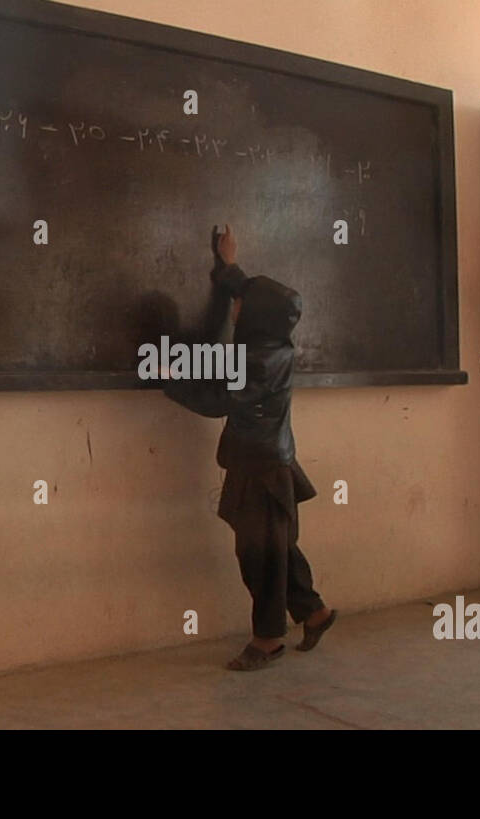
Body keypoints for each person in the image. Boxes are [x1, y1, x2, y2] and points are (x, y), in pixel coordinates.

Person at [161, 224, 337, 671]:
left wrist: (167, 379)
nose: (235, 306)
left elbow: (216, 401)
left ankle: (267, 639)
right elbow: (250, 295)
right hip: (264, 460)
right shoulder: (269, 337)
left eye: (241, 303)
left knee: (258, 556)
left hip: (261, 468)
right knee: (278, 547)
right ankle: (313, 611)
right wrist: (230, 266)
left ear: (254, 316)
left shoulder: (257, 360)